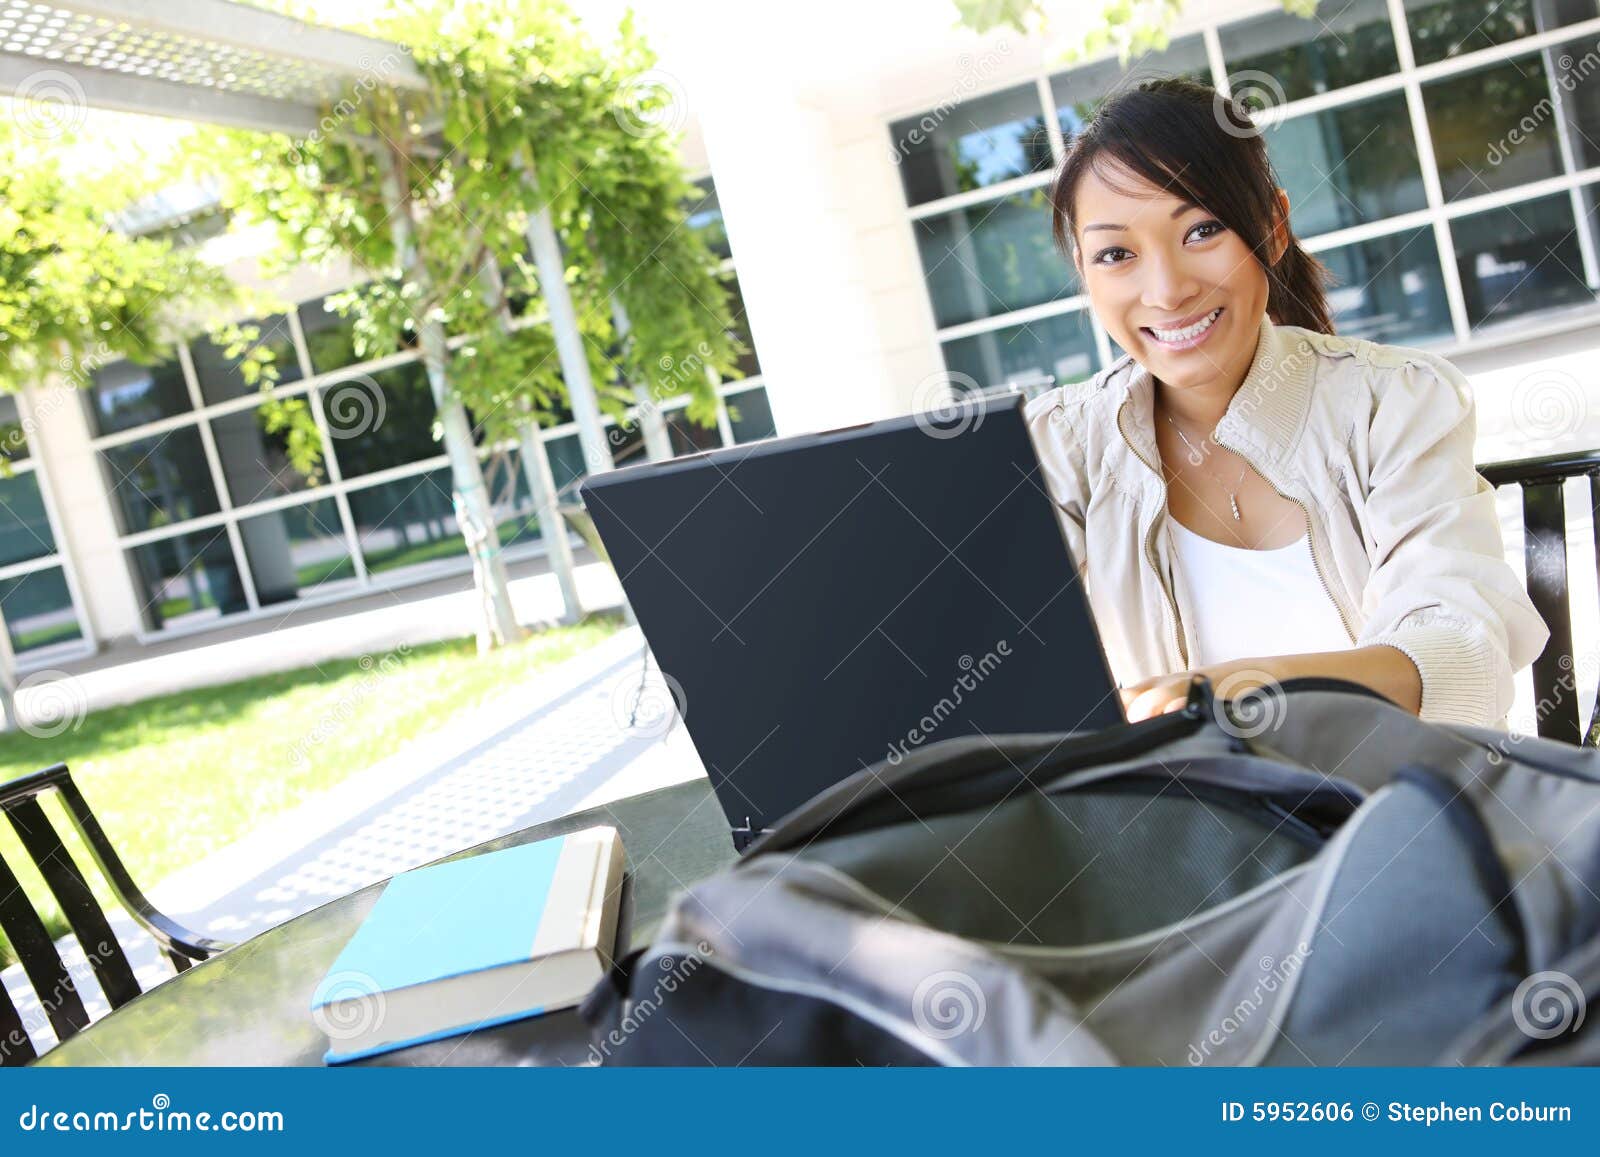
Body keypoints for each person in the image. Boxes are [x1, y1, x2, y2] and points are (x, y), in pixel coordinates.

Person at [1023, 78, 1549, 727]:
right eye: (1116, 253)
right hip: (1184, 823)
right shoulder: (1057, 446)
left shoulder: (1393, 403)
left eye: (1201, 230)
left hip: (1398, 809)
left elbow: (1459, 651)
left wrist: (1225, 693)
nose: (1165, 289)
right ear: (1085, 272)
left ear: (1272, 229)